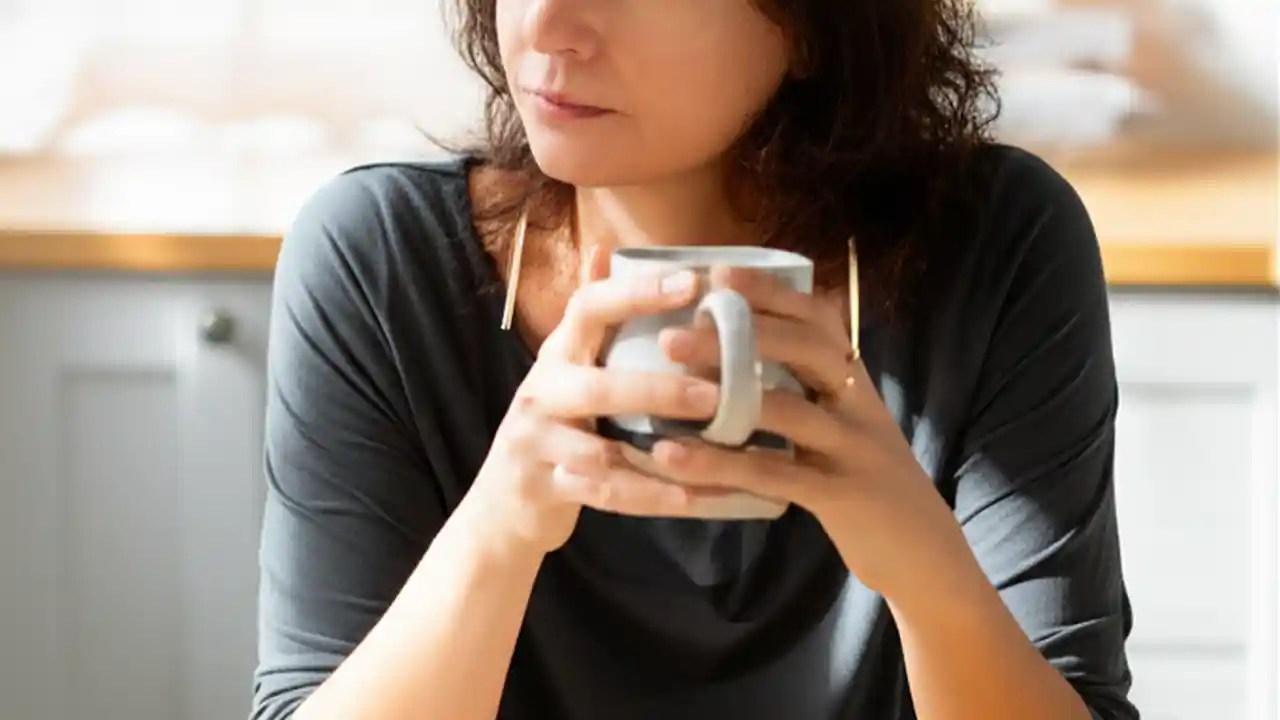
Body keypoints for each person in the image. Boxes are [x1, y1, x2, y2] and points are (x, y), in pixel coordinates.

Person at [251, 0, 1138, 718]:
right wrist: (500, 529)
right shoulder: (381, 264)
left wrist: (922, 571)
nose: (547, 24)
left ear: (812, 27)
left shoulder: (996, 249)